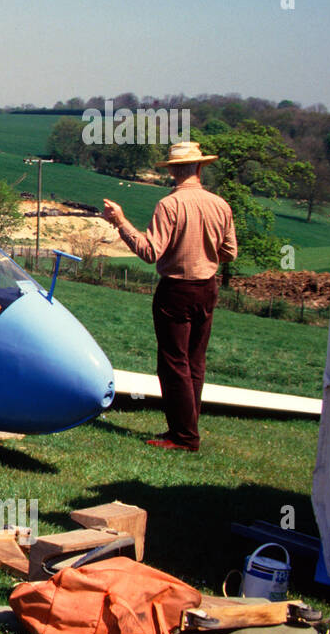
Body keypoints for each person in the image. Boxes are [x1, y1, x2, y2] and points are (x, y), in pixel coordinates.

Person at [101, 142, 237, 452]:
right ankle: (186, 427)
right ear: (200, 168)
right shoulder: (221, 205)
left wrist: (120, 221)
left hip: (176, 290)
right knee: (195, 362)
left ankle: (184, 436)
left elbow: (149, 252)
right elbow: (230, 252)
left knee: (174, 363)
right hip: (208, 288)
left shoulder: (169, 206)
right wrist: (204, 249)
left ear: (173, 170)